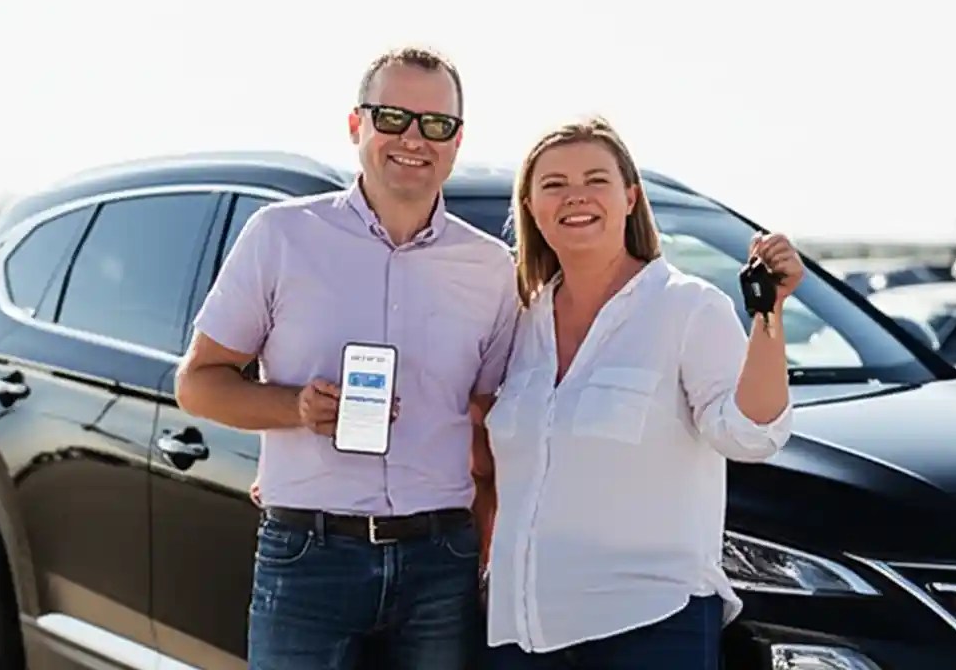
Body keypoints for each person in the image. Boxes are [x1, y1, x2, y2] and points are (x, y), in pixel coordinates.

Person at [175, 45, 518, 670]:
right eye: (393, 117)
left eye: (435, 124)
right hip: (309, 555)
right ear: (357, 124)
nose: (414, 138)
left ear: (456, 140)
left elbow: (490, 424)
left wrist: (487, 548)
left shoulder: (492, 269)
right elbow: (197, 384)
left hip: (441, 561)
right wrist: (295, 407)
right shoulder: (281, 237)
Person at [479, 116, 801, 669]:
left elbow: (750, 434)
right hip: (521, 629)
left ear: (630, 198)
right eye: (553, 184)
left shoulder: (687, 307)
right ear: (531, 207)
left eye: (595, 180)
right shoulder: (519, 318)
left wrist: (768, 317)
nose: (576, 197)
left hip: (648, 624)